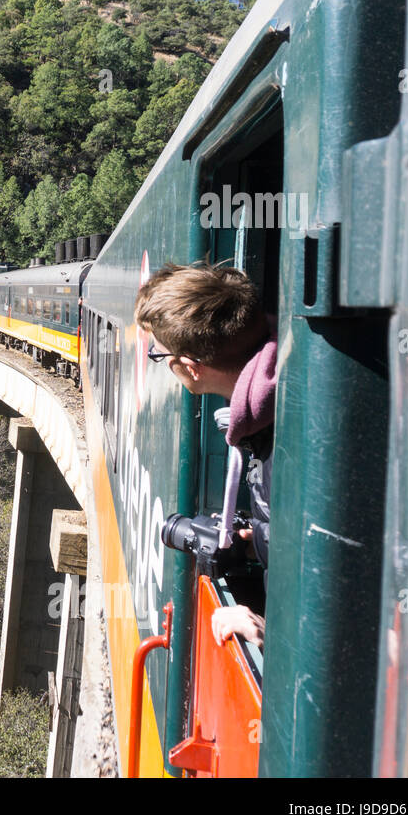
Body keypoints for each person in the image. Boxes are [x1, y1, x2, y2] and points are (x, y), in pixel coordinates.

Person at [134, 262, 277, 650]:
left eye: (159, 355)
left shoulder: (281, 447)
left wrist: (270, 635)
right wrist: (261, 540)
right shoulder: (281, 400)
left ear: (191, 368)